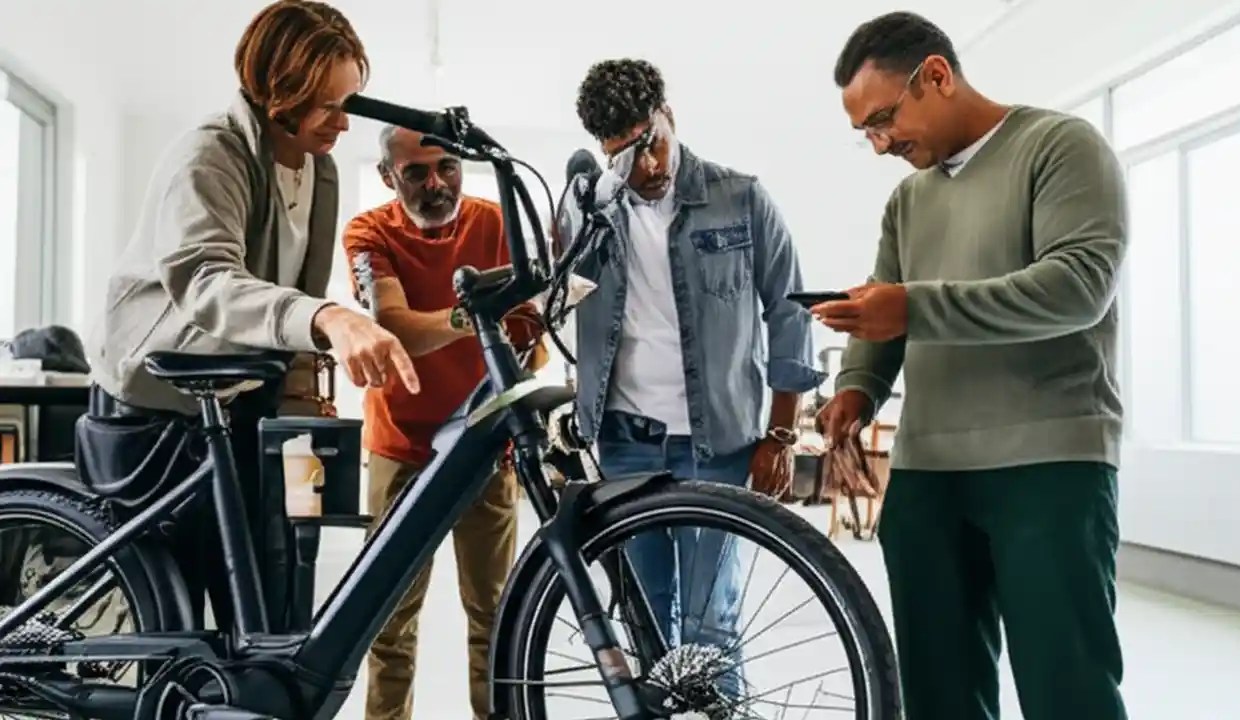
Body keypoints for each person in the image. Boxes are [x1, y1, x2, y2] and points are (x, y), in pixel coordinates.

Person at [815, 11, 1128, 720]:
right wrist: (856, 389)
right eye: (865, 130)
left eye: (884, 119)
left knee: (1066, 689)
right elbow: (882, 313)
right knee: (937, 695)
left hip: (1049, 464)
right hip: (927, 476)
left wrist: (913, 308)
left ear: (937, 75)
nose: (879, 143)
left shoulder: (1061, 147)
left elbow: (1078, 287)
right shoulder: (907, 200)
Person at [85, 0, 418, 630]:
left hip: (237, 395)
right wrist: (329, 319)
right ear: (279, 93)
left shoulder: (317, 167)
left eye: (351, 102)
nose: (344, 123)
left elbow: (296, 282)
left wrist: (300, 387)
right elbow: (208, 280)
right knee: (173, 611)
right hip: (156, 401)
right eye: (329, 104)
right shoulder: (211, 155)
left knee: (272, 601)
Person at [558, 58, 825, 695]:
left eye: (651, 142)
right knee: (646, 622)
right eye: (624, 156)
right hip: (626, 444)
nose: (646, 167)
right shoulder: (591, 211)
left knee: (711, 628)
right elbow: (556, 297)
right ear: (603, 151)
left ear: (669, 117)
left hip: (723, 448)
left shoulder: (743, 197)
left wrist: (781, 436)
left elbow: (790, 311)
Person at [344, 125, 543, 720]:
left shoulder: (495, 223)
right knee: (388, 620)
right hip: (402, 447)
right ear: (387, 177)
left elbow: (529, 331)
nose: (436, 184)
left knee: (495, 617)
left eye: (447, 168)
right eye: (416, 173)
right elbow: (395, 322)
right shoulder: (369, 232)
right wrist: (475, 316)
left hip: (485, 445)